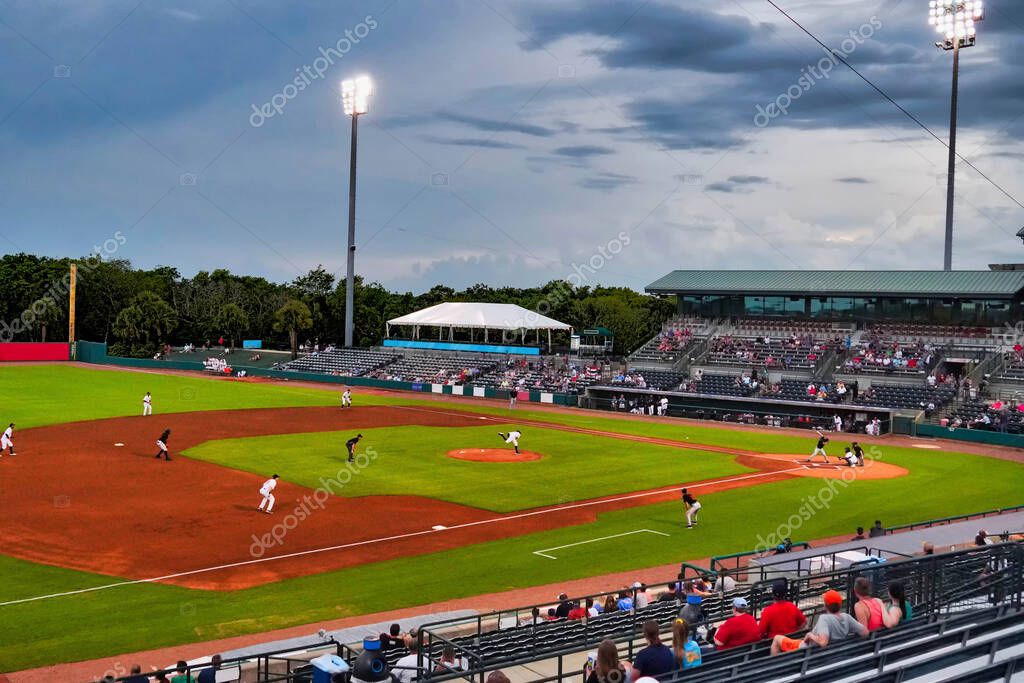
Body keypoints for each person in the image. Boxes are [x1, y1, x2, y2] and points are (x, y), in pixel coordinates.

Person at [770, 590, 867, 655]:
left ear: (826, 605)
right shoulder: (847, 617)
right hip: (831, 654)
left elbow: (823, 642)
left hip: (808, 650)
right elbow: (865, 632)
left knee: (777, 638)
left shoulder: (824, 618)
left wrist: (810, 635)